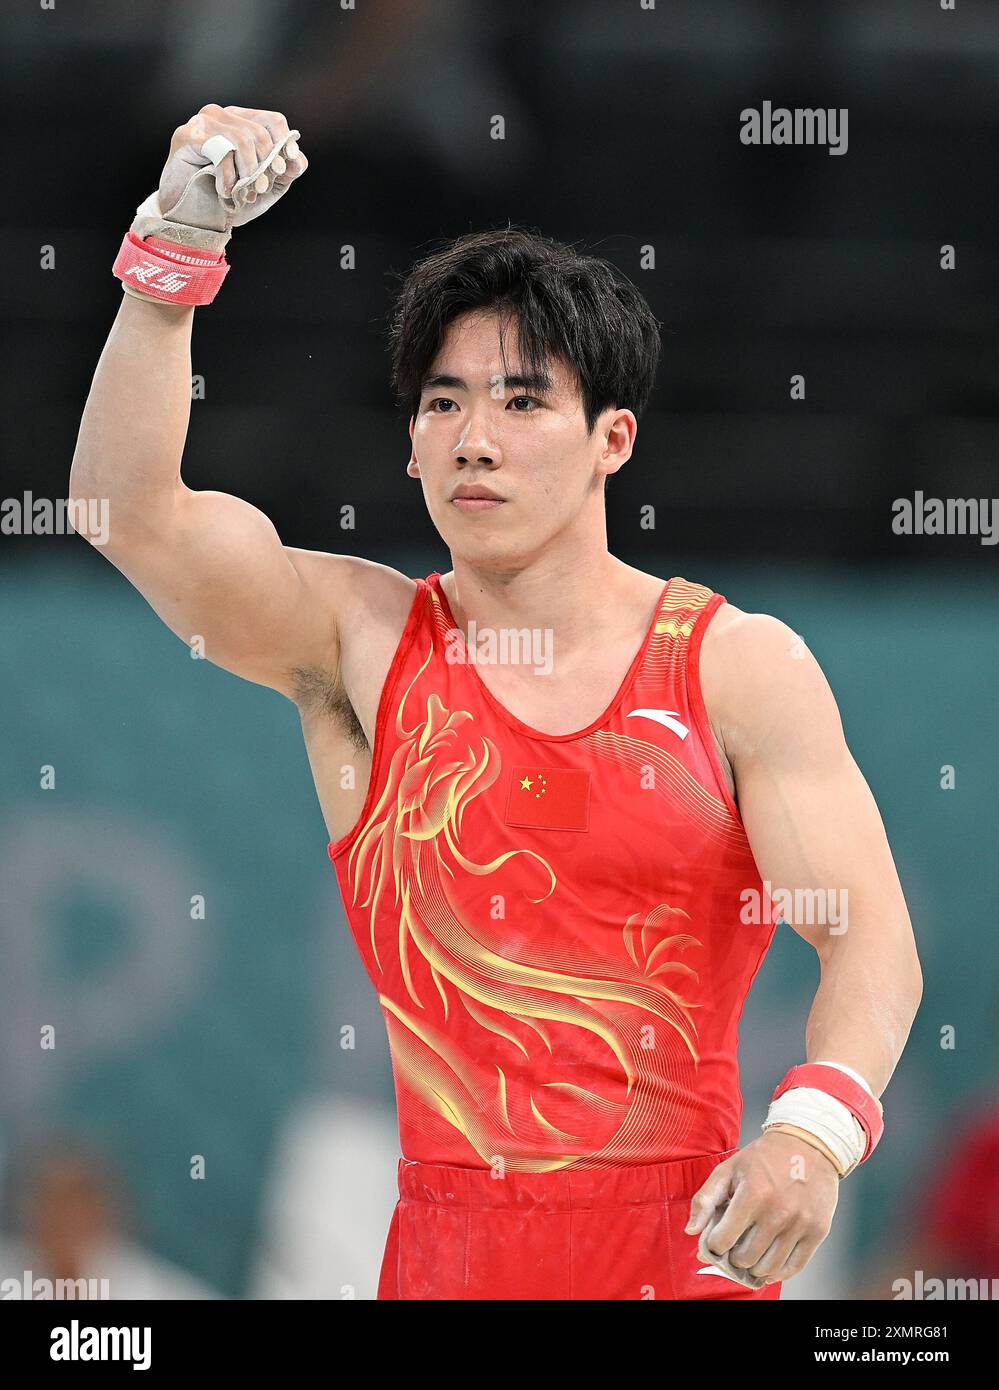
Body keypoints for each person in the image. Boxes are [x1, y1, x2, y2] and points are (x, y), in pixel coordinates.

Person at [69, 104, 922, 1300]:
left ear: (611, 438)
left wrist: (815, 1134)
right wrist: (173, 254)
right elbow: (126, 516)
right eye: (444, 403)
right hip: (450, 1256)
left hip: (678, 1252)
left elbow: (868, 934)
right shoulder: (359, 642)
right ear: (409, 448)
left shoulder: (736, 666)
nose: (476, 439)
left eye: (523, 402)